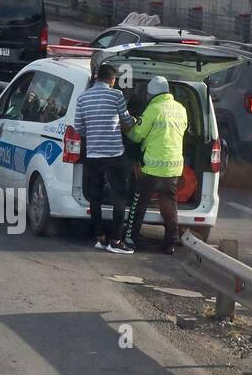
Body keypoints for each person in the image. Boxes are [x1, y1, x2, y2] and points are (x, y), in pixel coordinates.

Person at [73, 62, 135, 253]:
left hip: (93, 154)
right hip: (114, 154)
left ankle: (100, 238)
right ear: (112, 79)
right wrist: (132, 121)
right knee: (119, 197)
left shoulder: (83, 98)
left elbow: (79, 128)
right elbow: (126, 120)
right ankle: (116, 241)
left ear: (96, 77)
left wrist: (93, 133)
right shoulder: (116, 95)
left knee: (95, 197)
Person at [125, 76, 189, 254]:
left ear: (151, 93)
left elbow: (137, 135)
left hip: (151, 167)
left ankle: (130, 238)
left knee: (139, 201)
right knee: (169, 203)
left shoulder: (153, 109)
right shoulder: (181, 109)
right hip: (173, 166)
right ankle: (171, 242)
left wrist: (128, 126)